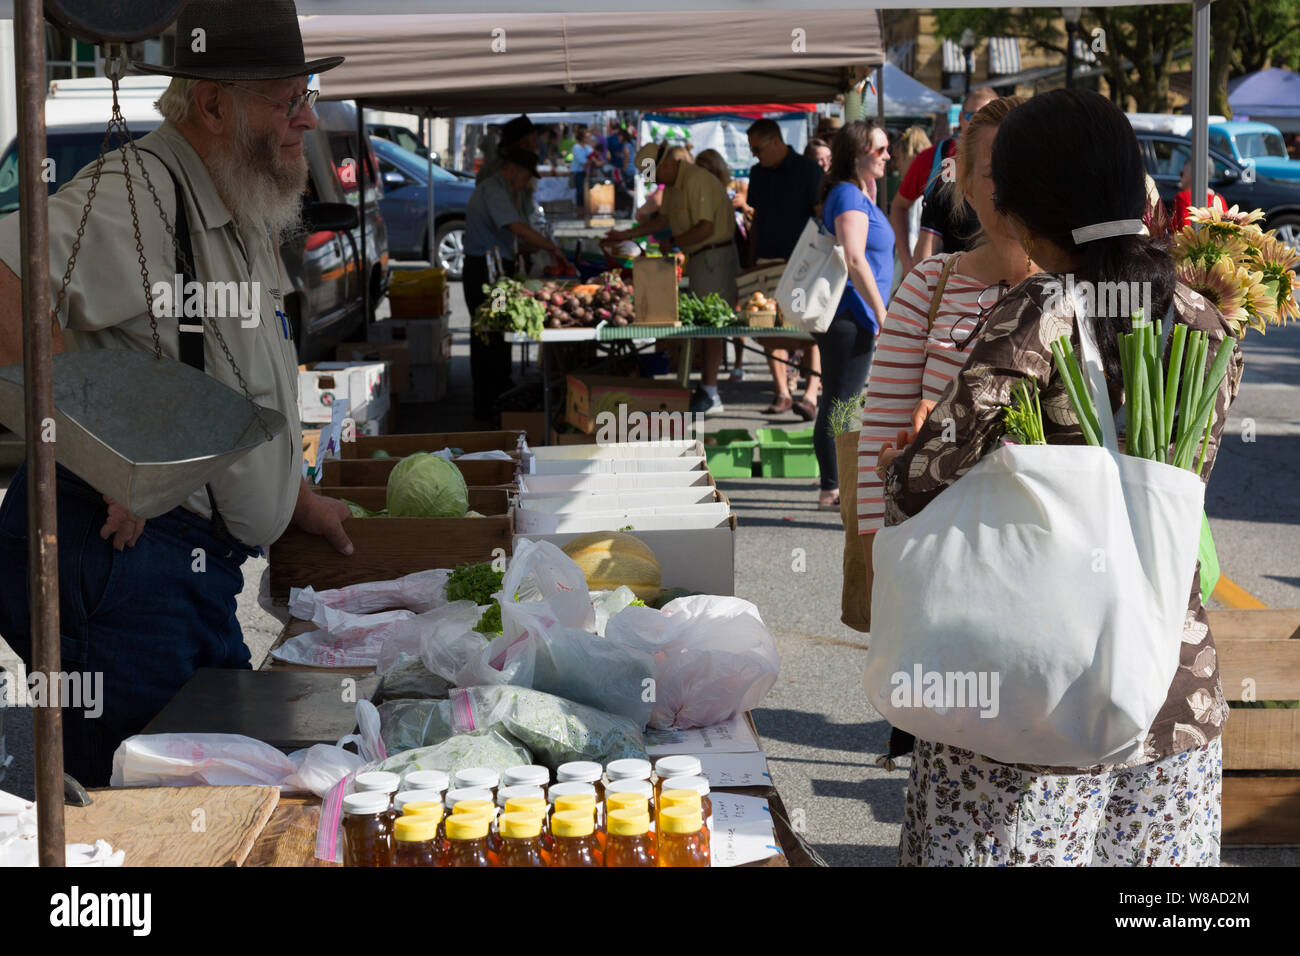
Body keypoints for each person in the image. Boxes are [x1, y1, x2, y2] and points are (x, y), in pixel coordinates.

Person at [877, 88, 1243, 867]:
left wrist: (901, 459)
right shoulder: (1205, 319)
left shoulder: (1039, 311)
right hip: (1173, 692)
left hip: (1038, 695)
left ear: (1024, 208)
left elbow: (918, 483)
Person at [0, 0, 353, 786]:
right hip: (126, 570)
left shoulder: (239, 202)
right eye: (285, 99)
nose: (306, 119)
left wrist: (293, 499)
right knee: (154, 813)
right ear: (214, 103)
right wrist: (108, 454)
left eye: (306, 96)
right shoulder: (143, 194)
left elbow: (235, 377)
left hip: (192, 578)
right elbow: (5, 283)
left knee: (232, 787)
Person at [857, 97, 1031, 594]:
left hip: (1052, 567)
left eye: (1031, 169)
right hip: (938, 565)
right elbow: (878, 450)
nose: (1014, 189)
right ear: (968, 189)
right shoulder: (927, 287)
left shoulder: (1084, 294)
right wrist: (882, 582)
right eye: (996, 173)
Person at [608, 141, 737, 415]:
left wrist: (675, 242)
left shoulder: (696, 180)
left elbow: (705, 228)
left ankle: (711, 392)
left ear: (666, 164)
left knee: (711, 328)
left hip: (713, 257)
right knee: (703, 327)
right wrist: (627, 235)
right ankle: (705, 388)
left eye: (656, 176)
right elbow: (661, 220)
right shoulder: (674, 184)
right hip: (700, 257)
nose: (656, 182)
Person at [811, 120, 894, 510]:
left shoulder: (858, 191)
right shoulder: (847, 195)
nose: (887, 156)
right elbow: (855, 257)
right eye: (880, 150)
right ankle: (831, 487)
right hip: (851, 313)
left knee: (841, 399)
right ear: (858, 151)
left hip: (854, 313)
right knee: (841, 402)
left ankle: (834, 483)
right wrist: (882, 313)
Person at [463, 148, 565, 423]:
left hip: (496, 268)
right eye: (526, 178)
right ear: (513, 170)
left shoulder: (505, 190)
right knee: (488, 333)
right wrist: (551, 247)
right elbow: (517, 227)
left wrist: (539, 249)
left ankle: (499, 398)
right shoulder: (494, 190)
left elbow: (518, 235)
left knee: (496, 333)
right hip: (486, 272)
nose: (527, 184)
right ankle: (487, 406)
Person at [746, 118, 825, 419]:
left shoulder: (808, 171)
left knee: (809, 327)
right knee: (767, 327)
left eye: (757, 148)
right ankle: (782, 391)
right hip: (768, 261)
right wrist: (752, 259)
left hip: (803, 264)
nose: (754, 155)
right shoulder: (757, 173)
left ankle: (809, 394)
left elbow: (820, 218)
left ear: (776, 141)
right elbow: (756, 218)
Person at [889, 88, 996, 275]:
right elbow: (899, 206)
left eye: (988, 118)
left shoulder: (1008, 165)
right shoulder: (933, 159)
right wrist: (907, 263)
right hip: (944, 280)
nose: (980, 125)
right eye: (973, 116)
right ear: (962, 118)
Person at [1170, 158, 1227, 231]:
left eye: (1182, 174)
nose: (1180, 178)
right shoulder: (1219, 198)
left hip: (1194, 242)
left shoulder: (1182, 197)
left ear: (1191, 175)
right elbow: (1227, 234)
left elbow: (1183, 231)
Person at [570, 128, 593, 216]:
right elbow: (583, 160)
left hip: (585, 172)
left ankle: (585, 211)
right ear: (582, 138)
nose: (589, 139)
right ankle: (580, 212)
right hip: (578, 172)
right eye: (587, 137)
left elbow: (592, 156)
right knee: (580, 192)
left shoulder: (587, 147)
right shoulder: (576, 147)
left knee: (585, 192)